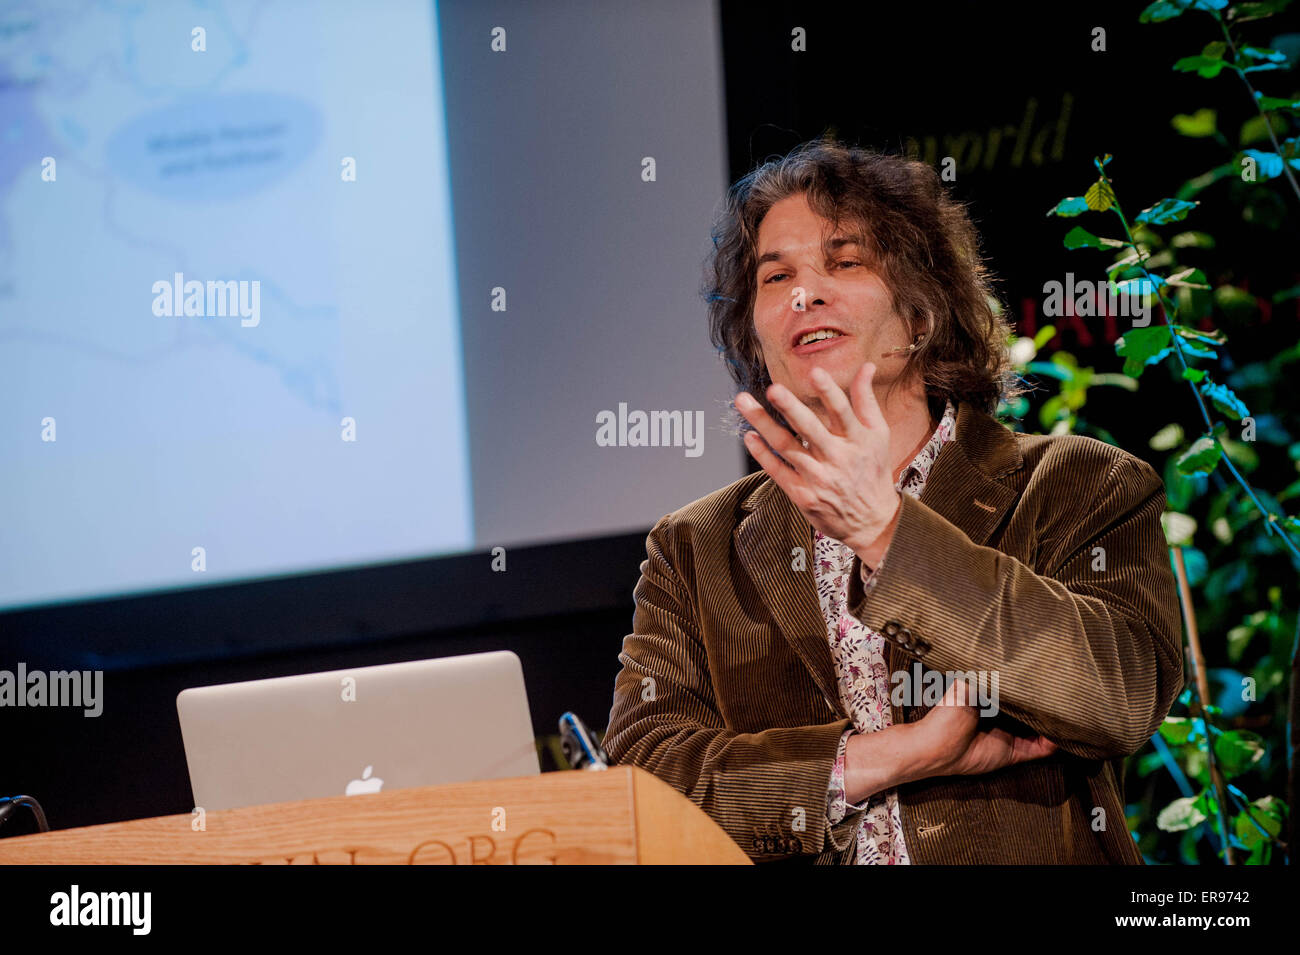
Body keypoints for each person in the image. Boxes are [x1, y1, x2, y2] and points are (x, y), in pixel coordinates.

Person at [601, 138, 1184, 864]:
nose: (804, 293)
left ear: (921, 310)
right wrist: (890, 755)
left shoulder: (1080, 484)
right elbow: (640, 783)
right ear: (755, 336)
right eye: (775, 276)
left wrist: (885, 531)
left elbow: (1115, 692)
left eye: (843, 262)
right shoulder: (695, 546)